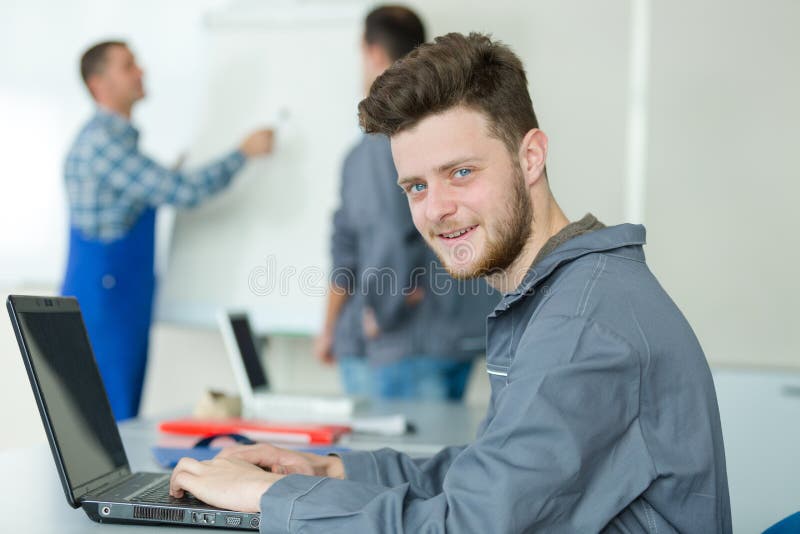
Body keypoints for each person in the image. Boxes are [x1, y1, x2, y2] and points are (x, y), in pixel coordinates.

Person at [169, 32, 732, 532]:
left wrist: (270, 497)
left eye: (460, 172)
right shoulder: (562, 293)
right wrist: (331, 468)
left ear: (530, 156)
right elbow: (490, 473)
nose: (436, 210)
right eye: (415, 187)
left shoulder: (583, 327)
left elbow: (468, 523)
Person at [61, 41, 274, 421]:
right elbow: (183, 192)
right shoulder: (102, 144)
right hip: (106, 304)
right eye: (128, 66)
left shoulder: (116, 144)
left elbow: (149, 191)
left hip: (119, 298)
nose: (141, 71)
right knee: (109, 423)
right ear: (99, 84)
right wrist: (243, 153)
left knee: (117, 418)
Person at [314, 6, 495, 400]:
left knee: (398, 461)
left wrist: (381, 312)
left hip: (401, 346)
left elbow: (389, 238)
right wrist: (332, 327)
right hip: (454, 334)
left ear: (373, 53)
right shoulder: (461, 132)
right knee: (441, 456)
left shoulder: (386, 145)